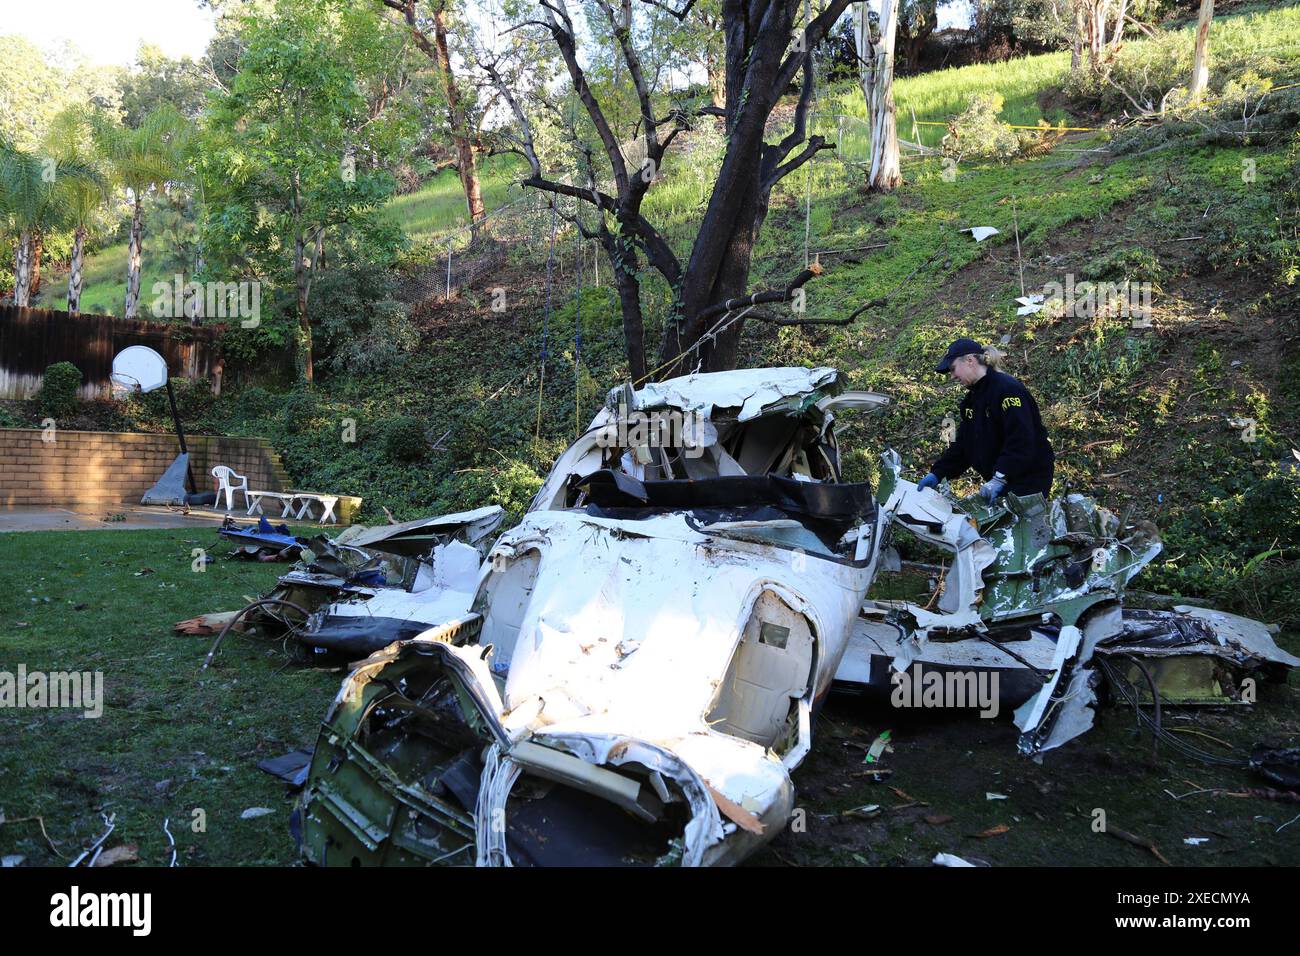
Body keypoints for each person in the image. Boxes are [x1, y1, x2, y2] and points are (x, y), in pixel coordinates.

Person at [916, 337, 1054, 503]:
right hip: (1001, 482)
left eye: (953, 369)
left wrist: (1000, 477)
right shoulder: (971, 402)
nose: (952, 376)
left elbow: (1021, 439)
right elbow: (964, 446)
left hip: (1028, 481)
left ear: (969, 361)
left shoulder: (1007, 390)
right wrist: (938, 473)